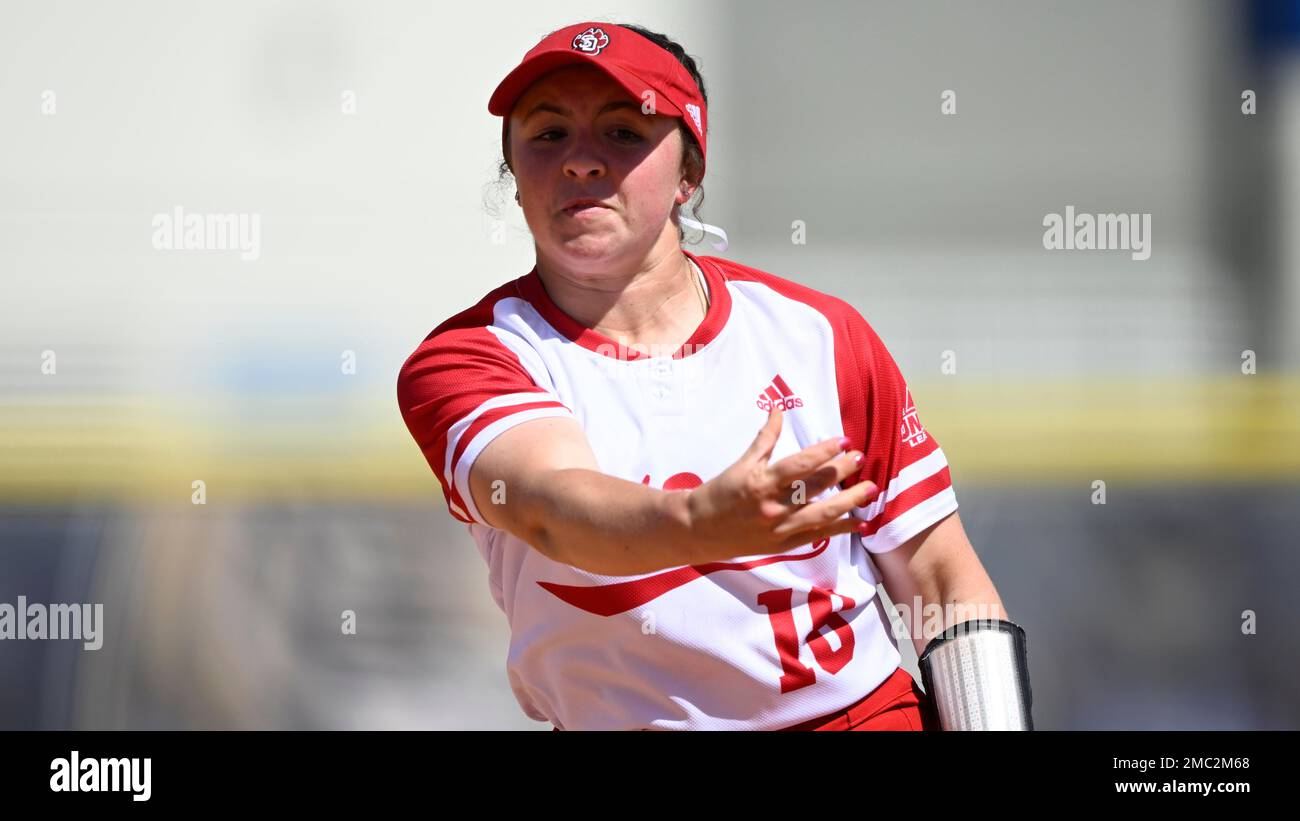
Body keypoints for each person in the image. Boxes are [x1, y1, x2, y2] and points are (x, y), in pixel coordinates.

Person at [397, 21, 1031, 730]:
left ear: (689, 174)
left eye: (624, 132)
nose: (581, 161)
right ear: (514, 178)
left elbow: (943, 582)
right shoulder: (471, 355)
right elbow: (553, 511)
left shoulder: (817, 335)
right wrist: (704, 522)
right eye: (547, 135)